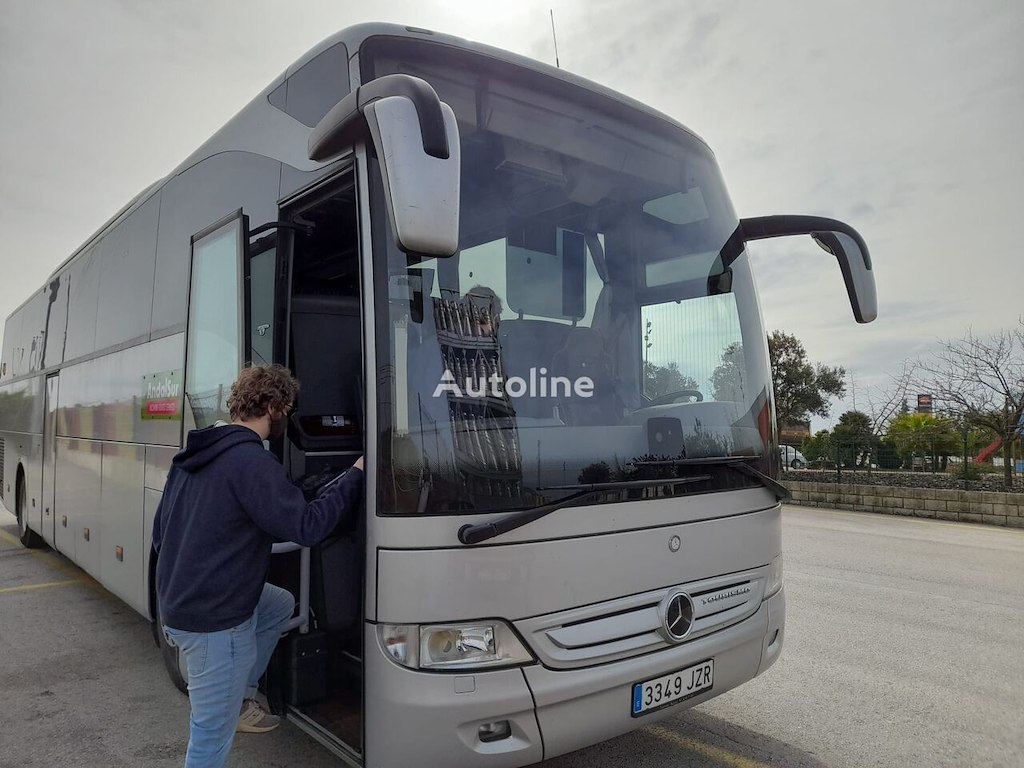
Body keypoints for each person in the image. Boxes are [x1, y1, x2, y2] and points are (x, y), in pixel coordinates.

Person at [153, 364, 364, 768]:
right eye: (286, 407)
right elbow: (307, 527)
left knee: (278, 604)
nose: (287, 416)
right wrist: (355, 475)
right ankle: (231, 705)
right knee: (209, 740)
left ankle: (242, 694)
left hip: (181, 603)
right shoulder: (252, 463)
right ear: (273, 407)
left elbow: (161, 533)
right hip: (215, 622)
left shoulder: (193, 456)